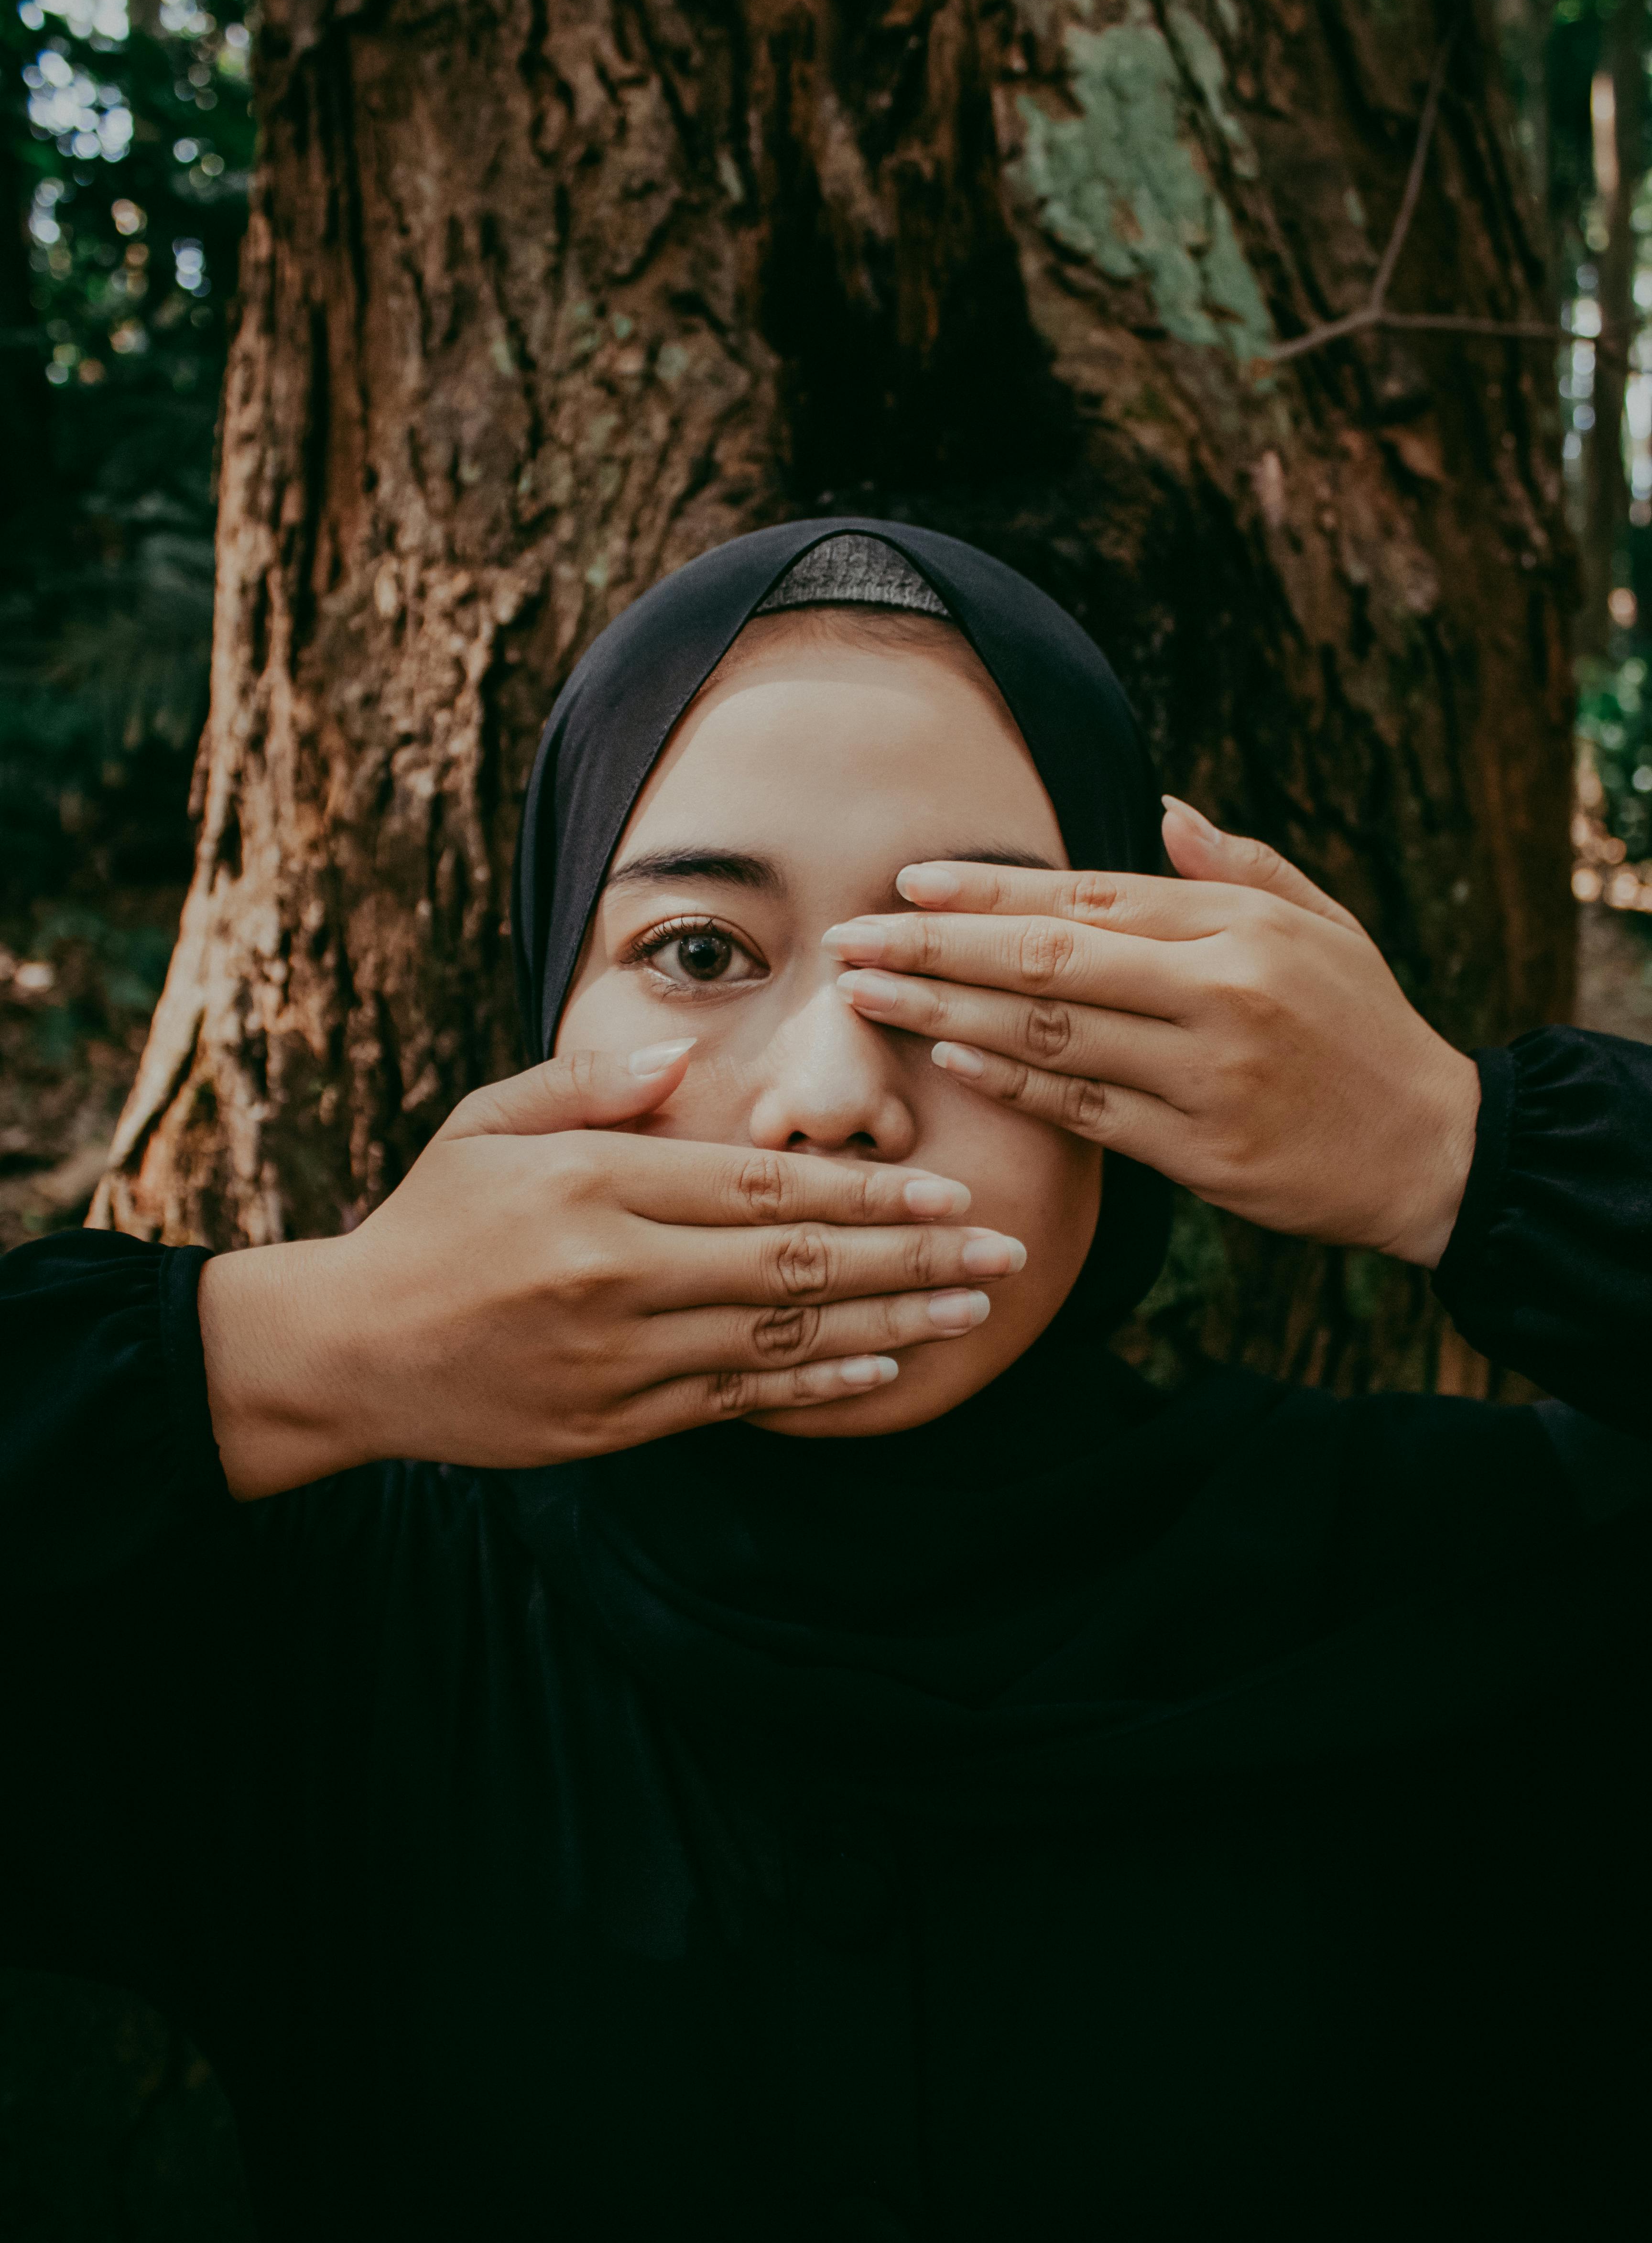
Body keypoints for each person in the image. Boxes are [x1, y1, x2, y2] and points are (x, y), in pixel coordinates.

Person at [2, 521, 1649, 2243]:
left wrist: (1465, 1152)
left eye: (975, 969)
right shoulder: (323, 1612)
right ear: (549, 1000)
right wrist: (287, 1346)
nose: (833, 1098)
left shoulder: (1450, 1584)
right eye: (701, 951)